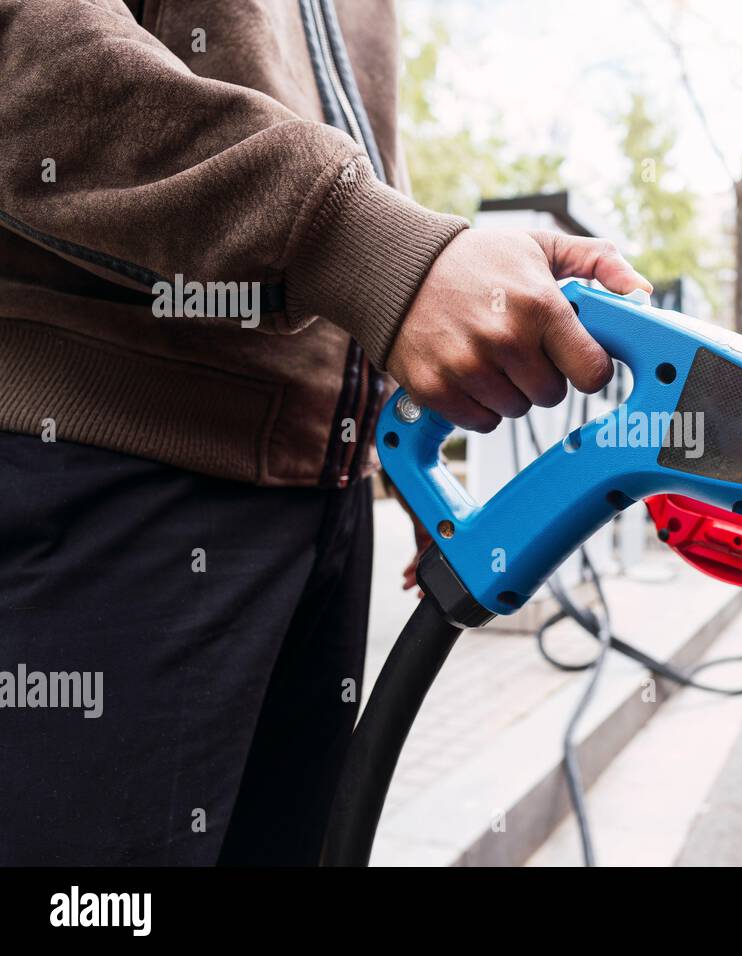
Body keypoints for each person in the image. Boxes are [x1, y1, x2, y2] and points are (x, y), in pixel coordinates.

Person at [0, 0, 650, 865]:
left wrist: (409, 392)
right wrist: (374, 246)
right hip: (112, 471)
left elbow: (352, 161)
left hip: (322, 497)